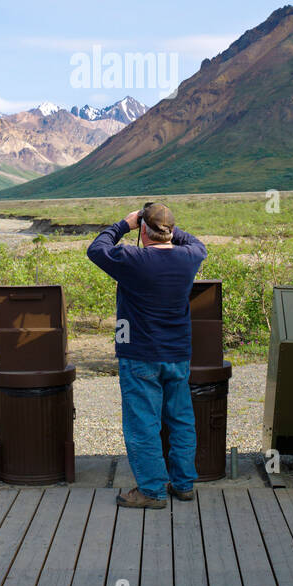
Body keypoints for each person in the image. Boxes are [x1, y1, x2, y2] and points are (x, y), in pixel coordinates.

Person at [87, 201, 207, 508]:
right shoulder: (190, 257)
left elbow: (96, 249)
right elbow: (195, 242)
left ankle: (152, 491)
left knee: (143, 424)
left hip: (139, 353)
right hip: (177, 353)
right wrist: (166, 227)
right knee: (181, 420)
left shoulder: (132, 259)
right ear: (169, 232)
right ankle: (183, 485)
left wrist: (123, 225)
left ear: (143, 230)